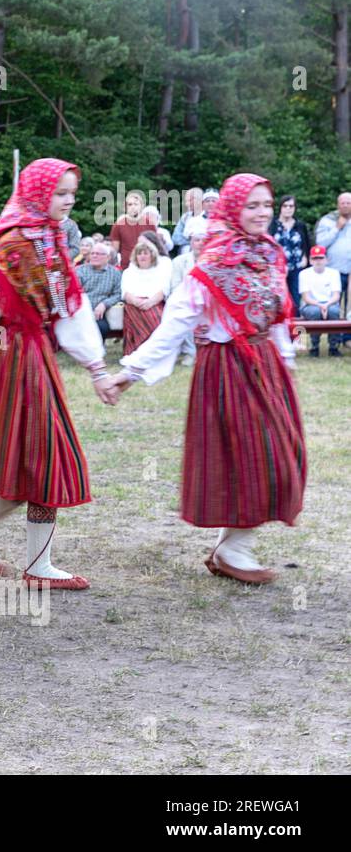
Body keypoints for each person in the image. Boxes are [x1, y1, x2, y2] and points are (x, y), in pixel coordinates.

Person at [0, 159, 119, 592]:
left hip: (36, 355)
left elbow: (69, 311)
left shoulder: (51, 239)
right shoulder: (15, 245)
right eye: (59, 192)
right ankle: (23, 556)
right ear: (37, 193)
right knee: (43, 455)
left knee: (34, 458)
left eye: (72, 192)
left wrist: (96, 367)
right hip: (14, 358)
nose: (68, 200)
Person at [111, 173, 304, 585]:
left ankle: (228, 547)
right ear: (233, 208)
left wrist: (285, 364)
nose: (261, 213)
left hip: (265, 366)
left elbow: (278, 315)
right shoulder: (213, 262)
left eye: (266, 205)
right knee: (258, 457)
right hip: (228, 370)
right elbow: (175, 322)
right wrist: (132, 370)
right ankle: (235, 549)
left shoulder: (269, 254)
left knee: (277, 455)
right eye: (251, 205)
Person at [120, 236, 170, 355]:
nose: (142, 256)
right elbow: (125, 292)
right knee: (137, 314)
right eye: (139, 253)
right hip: (133, 304)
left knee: (154, 316)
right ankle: (140, 352)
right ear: (135, 256)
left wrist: (150, 302)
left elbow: (163, 291)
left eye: (145, 253)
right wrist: (136, 301)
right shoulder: (129, 272)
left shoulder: (160, 271)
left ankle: (151, 352)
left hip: (154, 303)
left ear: (152, 255)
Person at [313, 192, 351, 345]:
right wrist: (337, 227)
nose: (346, 205)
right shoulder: (327, 221)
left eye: (349, 202)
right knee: (333, 307)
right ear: (337, 204)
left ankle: (348, 338)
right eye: (343, 203)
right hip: (333, 271)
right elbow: (320, 244)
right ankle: (333, 341)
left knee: (350, 307)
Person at [169, 223, 208, 365]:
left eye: (203, 240)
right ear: (191, 242)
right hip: (185, 299)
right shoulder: (179, 261)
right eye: (197, 240)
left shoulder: (213, 261)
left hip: (209, 302)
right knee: (183, 312)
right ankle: (190, 352)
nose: (200, 243)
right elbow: (175, 285)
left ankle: (206, 352)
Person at [298, 245, 342, 357]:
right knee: (315, 312)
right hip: (310, 305)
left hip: (330, 303)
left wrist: (326, 305)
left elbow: (336, 295)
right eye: (315, 258)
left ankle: (333, 347)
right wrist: (320, 306)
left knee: (334, 312)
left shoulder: (334, 273)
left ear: (326, 260)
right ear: (310, 260)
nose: (318, 261)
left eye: (321, 258)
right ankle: (314, 347)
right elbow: (306, 297)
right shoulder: (304, 274)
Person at [74, 242, 122, 340]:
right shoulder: (80, 270)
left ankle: (96, 351)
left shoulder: (115, 273)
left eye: (98, 254)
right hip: (81, 310)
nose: (94, 256)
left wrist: (104, 304)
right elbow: (75, 293)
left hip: (99, 312)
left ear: (108, 257)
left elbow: (118, 294)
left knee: (102, 328)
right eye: (92, 253)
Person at [269, 195, 310, 306]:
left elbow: (306, 243)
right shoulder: (272, 224)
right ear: (280, 208)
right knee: (278, 299)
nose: (288, 209)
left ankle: (295, 323)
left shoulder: (300, 225)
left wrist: (305, 257)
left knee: (295, 299)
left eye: (291, 206)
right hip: (277, 268)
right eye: (285, 206)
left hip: (297, 267)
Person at [108, 189, 152, 267]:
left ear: (141, 206)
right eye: (130, 204)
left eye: (136, 204)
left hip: (147, 265)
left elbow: (155, 246)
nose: (133, 207)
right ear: (125, 207)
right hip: (126, 265)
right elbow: (114, 250)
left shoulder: (150, 223)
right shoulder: (118, 224)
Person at [171, 187, 208, 253]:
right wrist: (192, 241)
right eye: (186, 201)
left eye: (189, 200)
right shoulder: (185, 217)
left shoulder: (210, 216)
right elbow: (175, 238)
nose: (186, 204)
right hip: (186, 252)